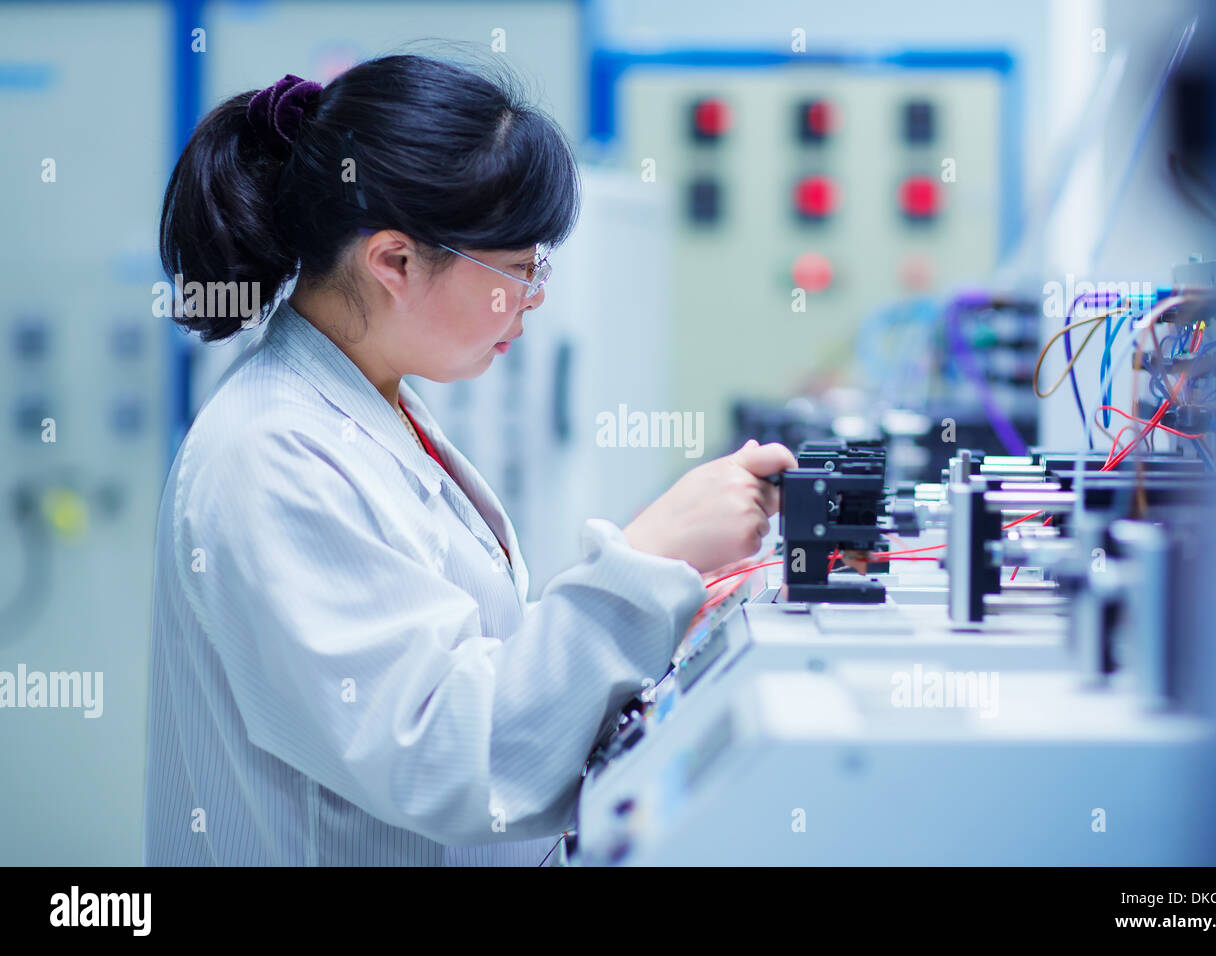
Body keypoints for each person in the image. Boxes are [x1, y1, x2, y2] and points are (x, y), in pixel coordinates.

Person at [144, 54, 796, 866]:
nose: (536, 294)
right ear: (394, 261)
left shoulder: (372, 403)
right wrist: (650, 557)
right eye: (519, 269)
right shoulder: (269, 457)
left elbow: (466, 671)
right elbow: (451, 756)